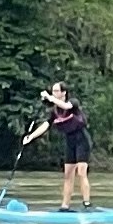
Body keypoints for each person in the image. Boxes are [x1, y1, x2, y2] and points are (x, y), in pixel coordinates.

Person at [30, 80, 92, 210]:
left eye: (57, 91)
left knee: (81, 172)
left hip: (82, 139)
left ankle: (87, 203)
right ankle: (65, 206)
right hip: (70, 141)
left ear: (64, 93)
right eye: (53, 91)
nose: (54, 93)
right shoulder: (54, 112)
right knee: (68, 174)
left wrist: (49, 97)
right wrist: (30, 137)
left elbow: (66, 107)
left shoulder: (73, 102)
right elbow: (45, 126)